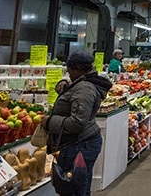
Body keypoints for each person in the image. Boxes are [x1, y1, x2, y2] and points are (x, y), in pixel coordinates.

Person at [44, 50, 112, 196]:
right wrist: (65, 84)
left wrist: (50, 122)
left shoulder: (85, 89)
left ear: (79, 69)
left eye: (70, 68)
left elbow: (77, 122)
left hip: (79, 144)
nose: (67, 71)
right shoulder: (82, 83)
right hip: (82, 142)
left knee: (74, 188)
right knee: (80, 185)